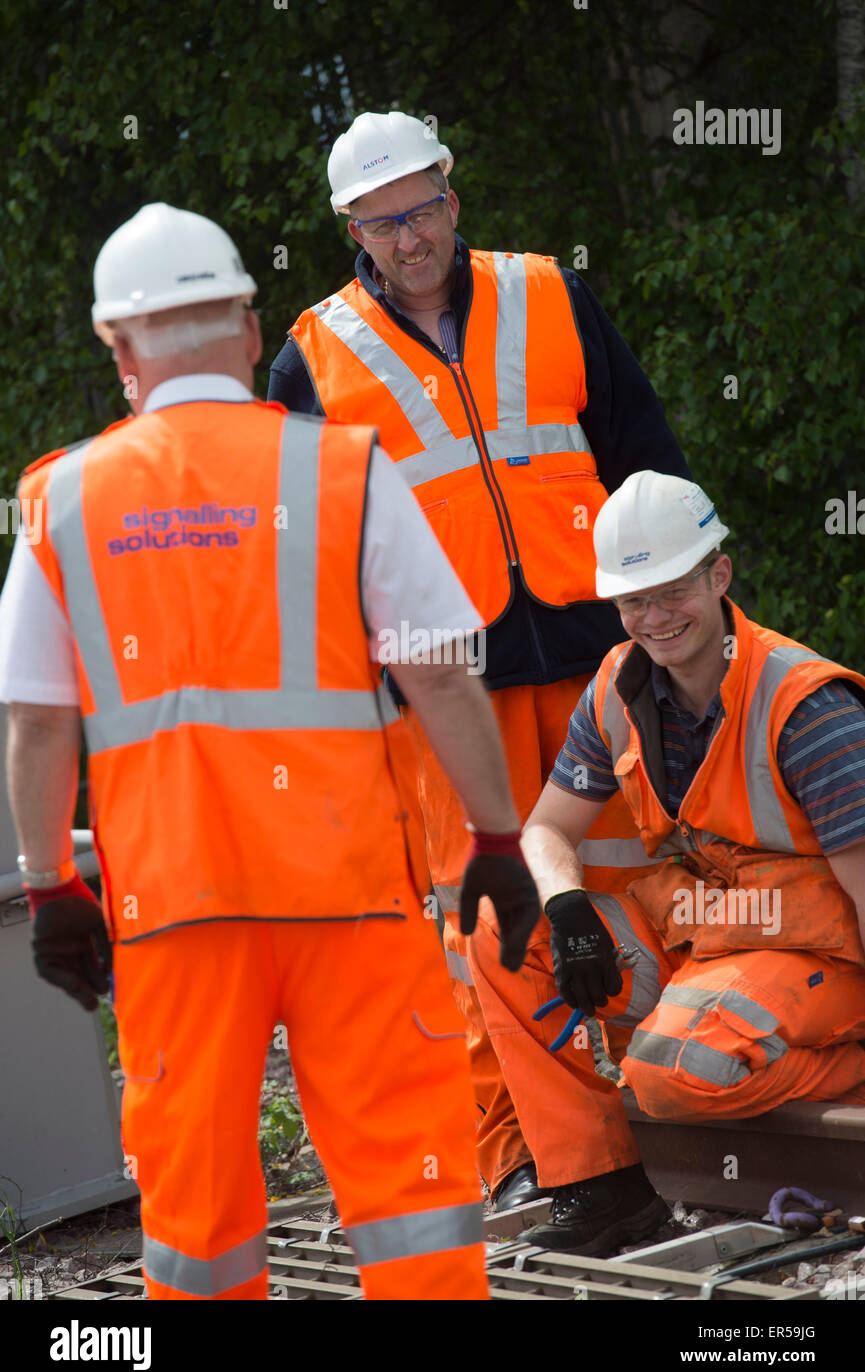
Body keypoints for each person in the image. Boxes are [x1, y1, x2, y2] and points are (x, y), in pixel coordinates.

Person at [0, 202, 543, 1301]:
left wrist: (51, 882)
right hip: (352, 897)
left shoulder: (64, 498)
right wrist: (496, 837)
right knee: (414, 1196)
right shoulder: (345, 469)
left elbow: (38, 718)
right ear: (250, 332)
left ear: (119, 350)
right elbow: (440, 668)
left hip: (177, 910)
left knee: (196, 1217)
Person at [268, 110, 692, 1211]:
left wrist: (679, 599)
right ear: (350, 228)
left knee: (643, 886)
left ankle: (689, 1118)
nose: (410, 238)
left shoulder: (549, 292)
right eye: (382, 220)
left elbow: (642, 451)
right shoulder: (309, 359)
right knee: (497, 920)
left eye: (423, 209)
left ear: (453, 196)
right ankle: (569, 1167)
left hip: (603, 650)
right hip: (445, 688)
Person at [466, 469, 865, 1255]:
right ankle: (599, 1184)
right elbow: (545, 830)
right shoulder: (617, 688)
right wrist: (564, 908)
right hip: (704, 939)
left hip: (816, 955)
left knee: (668, 1070)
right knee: (500, 927)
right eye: (632, 599)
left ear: (719, 575)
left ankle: (846, 1060)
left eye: (671, 590)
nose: (651, 617)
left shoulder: (805, 707)